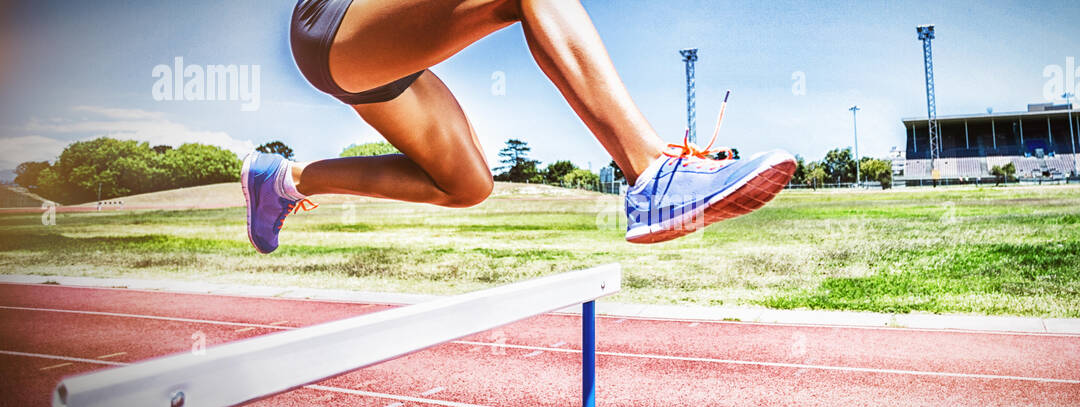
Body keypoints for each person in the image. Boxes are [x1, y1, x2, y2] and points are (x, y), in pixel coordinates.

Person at [243, 0, 794, 254]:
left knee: (465, 185)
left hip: (376, 60)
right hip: (334, 19)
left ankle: (285, 181)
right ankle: (654, 177)